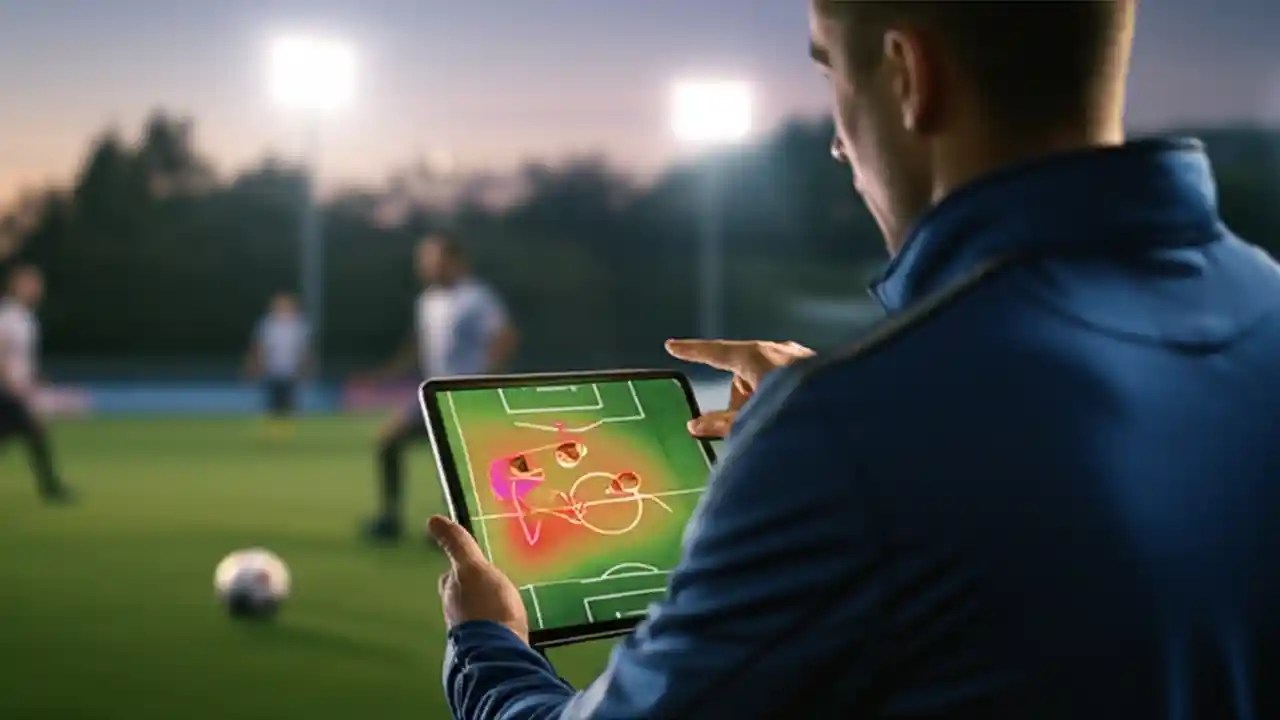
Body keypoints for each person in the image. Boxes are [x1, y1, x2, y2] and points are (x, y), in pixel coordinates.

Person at [426, 1, 1280, 717]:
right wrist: (860, 399)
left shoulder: (846, 440)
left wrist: (487, 646)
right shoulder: (1265, 304)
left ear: (910, 77)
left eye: (832, 70)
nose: (837, 143)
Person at [365, 235, 518, 540]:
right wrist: (390, 372)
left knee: (453, 462)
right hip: (433, 393)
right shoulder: (428, 301)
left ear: (454, 261)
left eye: (431, 259)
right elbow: (422, 346)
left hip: (464, 395)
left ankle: (455, 529)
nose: (424, 266)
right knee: (388, 441)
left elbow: (504, 337)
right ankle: (390, 518)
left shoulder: (477, 298)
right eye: (423, 260)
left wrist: (485, 383)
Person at [0, 265, 73, 503]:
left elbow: (21, 357)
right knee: (34, 433)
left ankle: (50, 488)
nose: (36, 289)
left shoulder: (26, 318)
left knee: (33, 434)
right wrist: (10, 381)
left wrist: (35, 378)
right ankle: (51, 488)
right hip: (7, 391)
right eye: (30, 283)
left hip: (17, 390)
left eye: (37, 284)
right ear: (16, 286)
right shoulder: (7, 315)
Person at [243, 292, 310, 436]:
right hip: (271, 370)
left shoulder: (299, 324)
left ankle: (287, 434)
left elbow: (303, 349)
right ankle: (272, 433)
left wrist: (305, 368)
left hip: (291, 371)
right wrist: (255, 364)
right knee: (272, 404)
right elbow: (260, 346)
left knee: (289, 404)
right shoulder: (267, 323)